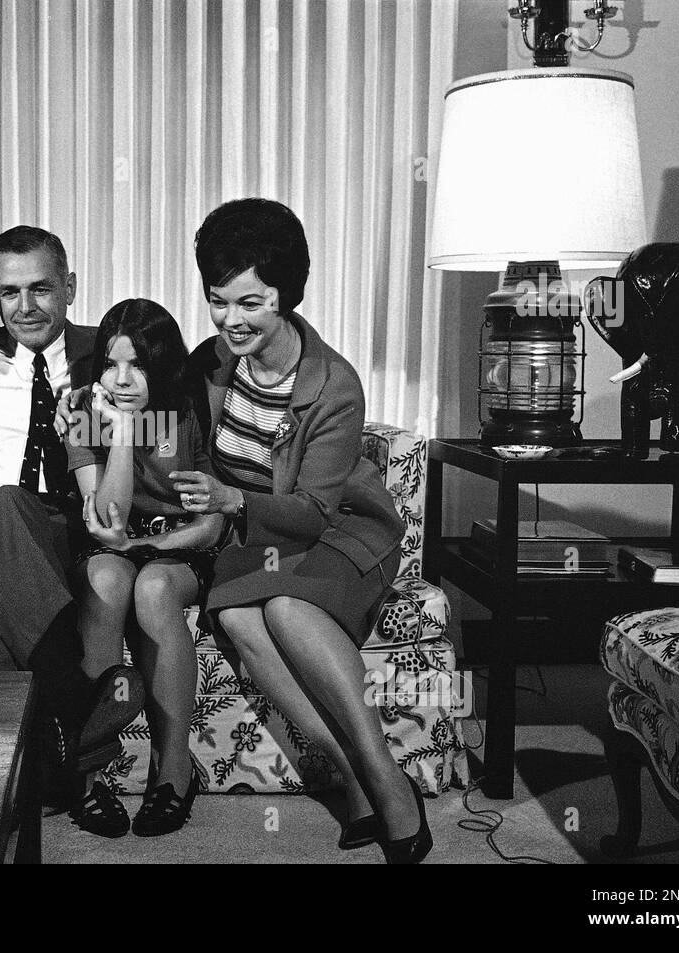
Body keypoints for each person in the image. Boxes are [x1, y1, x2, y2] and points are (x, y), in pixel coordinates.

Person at [172, 198, 429, 863]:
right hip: (255, 537)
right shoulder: (209, 366)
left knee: (285, 605)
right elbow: (192, 452)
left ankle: (386, 779)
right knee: (239, 620)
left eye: (251, 302)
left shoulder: (334, 384)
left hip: (341, 531)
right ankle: (348, 772)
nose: (232, 319)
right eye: (218, 301)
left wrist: (231, 498)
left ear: (286, 294)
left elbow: (316, 509)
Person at [0, 226, 144, 782]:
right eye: (8, 292)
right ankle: (72, 740)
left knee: (3, 515)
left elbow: (168, 425)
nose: (24, 307)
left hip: (71, 526)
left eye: (41, 289)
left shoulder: (108, 354)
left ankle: (26, 771)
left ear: (70, 286)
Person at [63, 298, 224, 837]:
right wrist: (125, 432)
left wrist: (146, 547)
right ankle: (88, 773)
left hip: (179, 550)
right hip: (115, 548)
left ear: (164, 367)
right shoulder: (85, 411)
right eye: (112, 363)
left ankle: (174, 768)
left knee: (153, 587)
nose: (124, 378)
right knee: (105, 578)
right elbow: (106, 518)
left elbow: (211, 525)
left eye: (139, 365)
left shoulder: (193, 409)